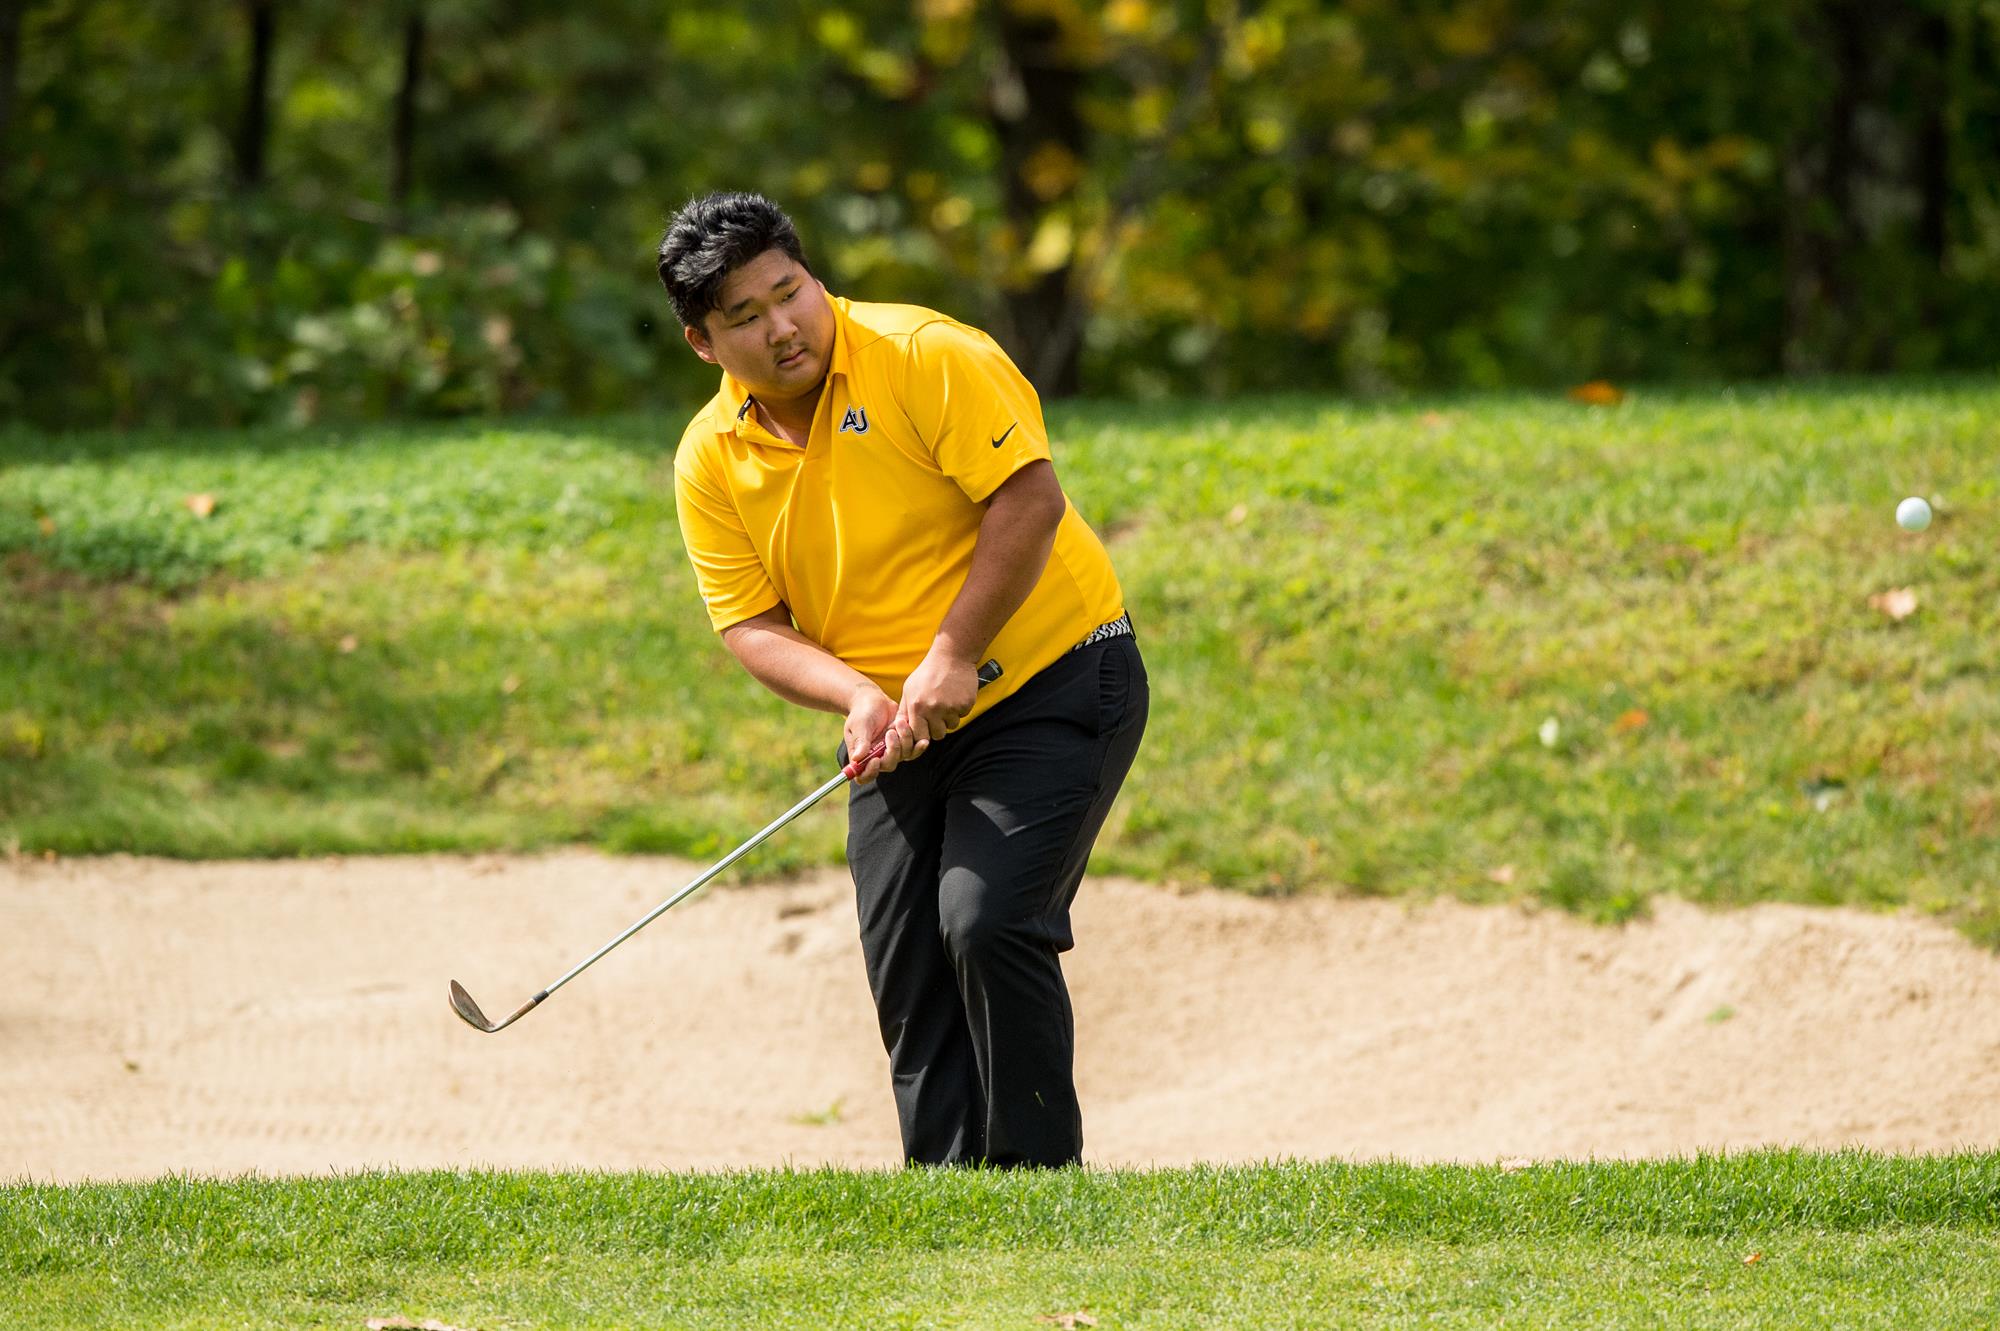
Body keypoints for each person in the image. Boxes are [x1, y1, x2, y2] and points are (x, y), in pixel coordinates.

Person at [657, 192, 1148, 1169]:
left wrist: (954, 650)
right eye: (744, 317)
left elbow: (1028, 496)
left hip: (1054, 676)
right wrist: (854, 694)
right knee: (908, 966)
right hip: (901, 726)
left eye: (787, 292)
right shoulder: (711, 458)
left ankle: (1037, 1190)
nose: (780, 325)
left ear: (810, 274)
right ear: (703, 344)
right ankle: (948, 1206)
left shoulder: (924, 353)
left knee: (986, 914)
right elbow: (750, 624)